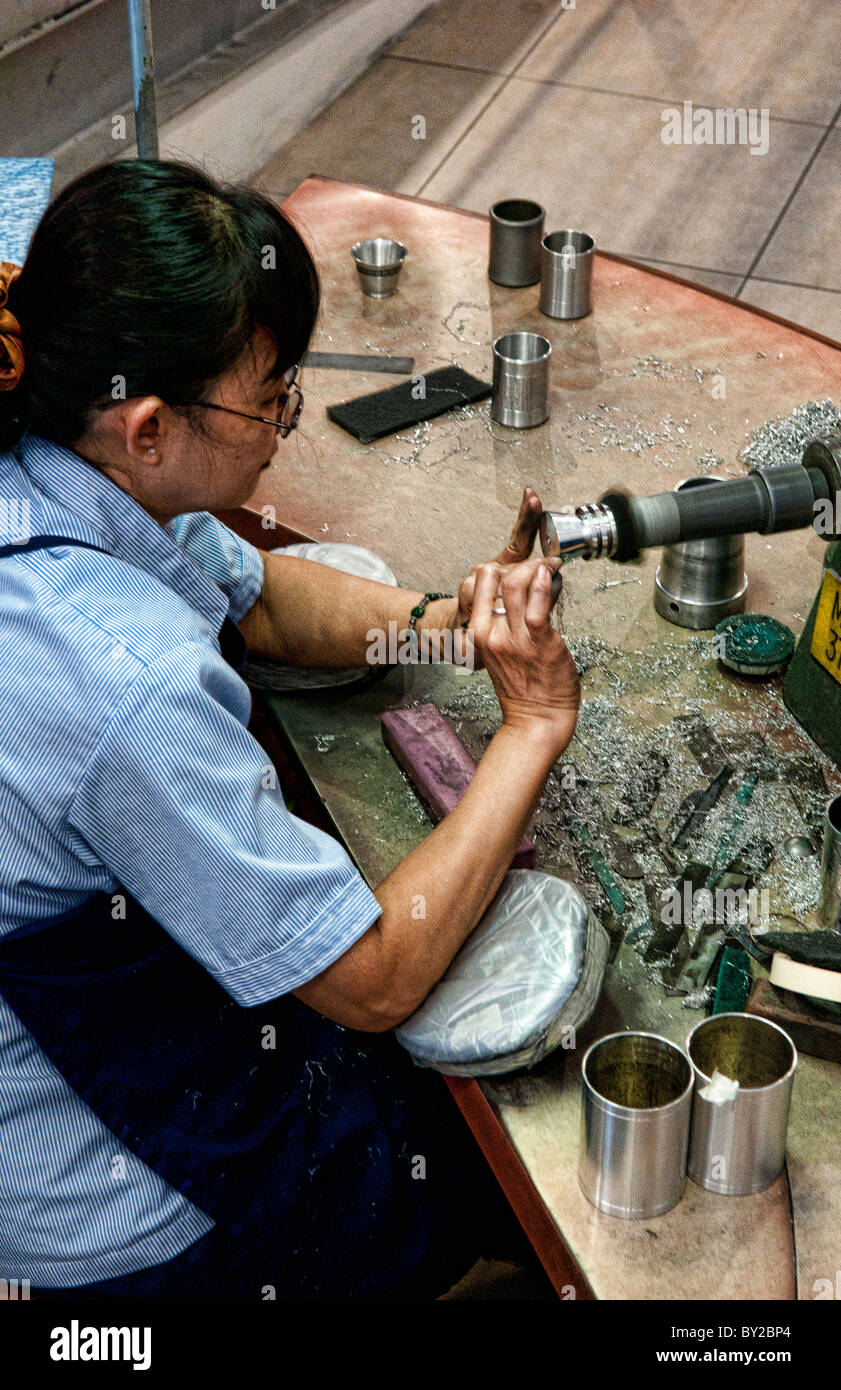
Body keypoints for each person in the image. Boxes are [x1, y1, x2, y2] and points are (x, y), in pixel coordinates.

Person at [0, 159, 580, 1300]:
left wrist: (451, 626)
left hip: (120, 1005)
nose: (281, 425)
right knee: (452, 1181)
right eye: (270, 396)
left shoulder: (58, 457)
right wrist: (531, 724)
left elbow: (259, 595)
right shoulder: (123, 679)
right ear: (154, 424)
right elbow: (370, 977)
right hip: (122, 1193)